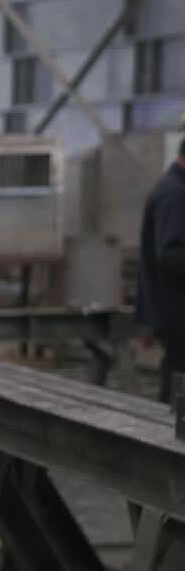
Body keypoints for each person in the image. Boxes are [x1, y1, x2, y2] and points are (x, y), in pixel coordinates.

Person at [136, 136, 185, 403]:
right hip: (178, 312)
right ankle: (170, 440)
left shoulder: (173, 188)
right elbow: (171, 254)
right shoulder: (176, 194)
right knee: (179, 379)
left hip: (172, 310)